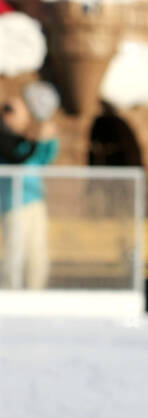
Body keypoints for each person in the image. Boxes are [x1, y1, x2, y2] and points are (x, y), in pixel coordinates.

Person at [0, 83, 60, 290]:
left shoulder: (28, 140)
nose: (8, 114)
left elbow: (45, 157)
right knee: (13, 254)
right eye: (6, 110)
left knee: (38, 254)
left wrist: (48, 138)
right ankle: (9, 293)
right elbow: (19, 157)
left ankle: (36, 294)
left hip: (34, 202)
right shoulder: (5, 141)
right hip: (12, 205)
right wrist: (38, 142)